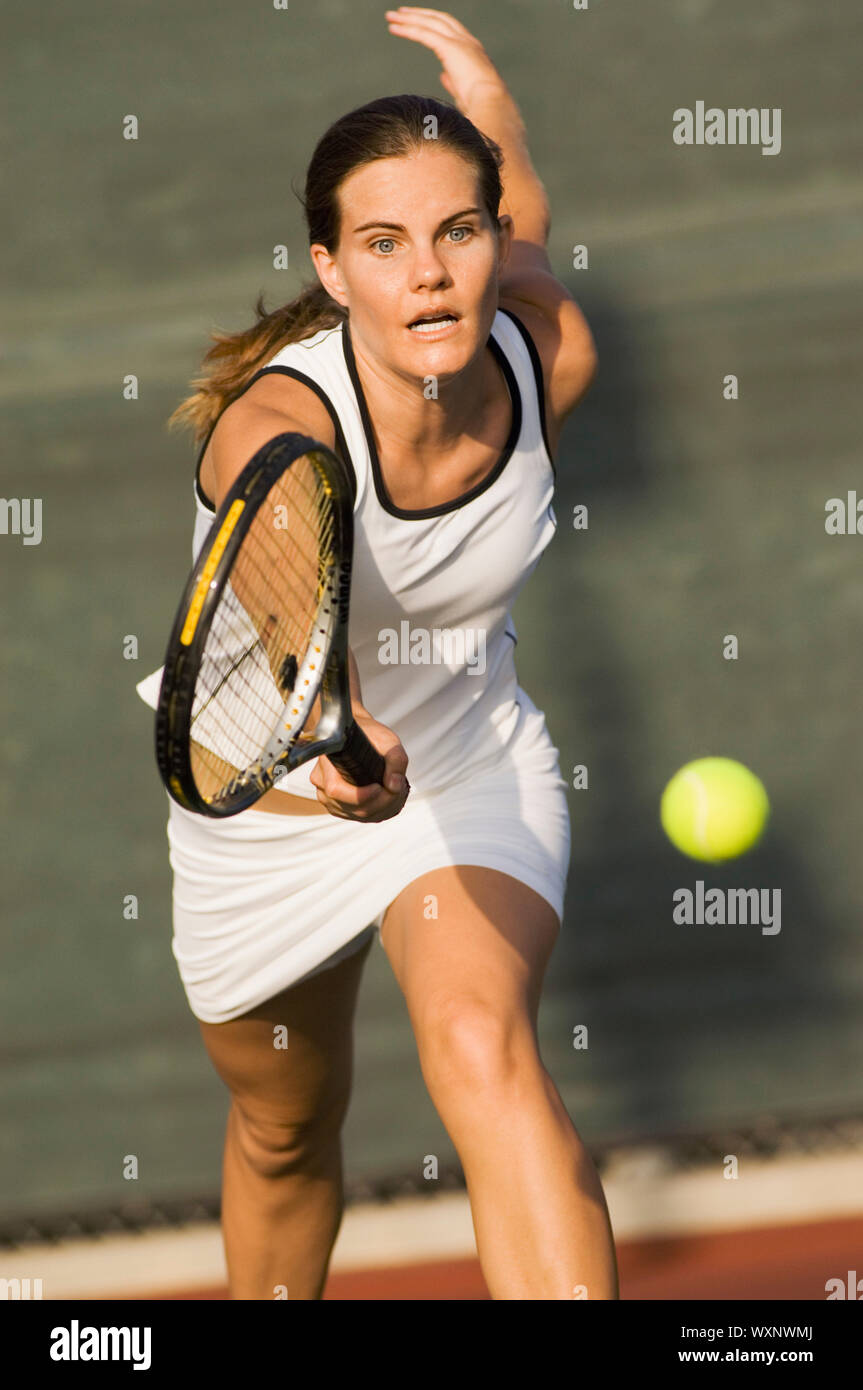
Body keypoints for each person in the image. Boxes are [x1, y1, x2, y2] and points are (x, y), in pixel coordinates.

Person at [137, 6, 619, 1300]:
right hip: (276, 782)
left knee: (481, 1043)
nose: (430, 274)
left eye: (456, 234)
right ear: (331, 268)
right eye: (384, 244)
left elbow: (526, 206)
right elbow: (296, 631)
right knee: (285, 1128)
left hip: (464, 757)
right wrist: (342, 734)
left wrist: (483, 92)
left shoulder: (544, 349)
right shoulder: (279, 429)